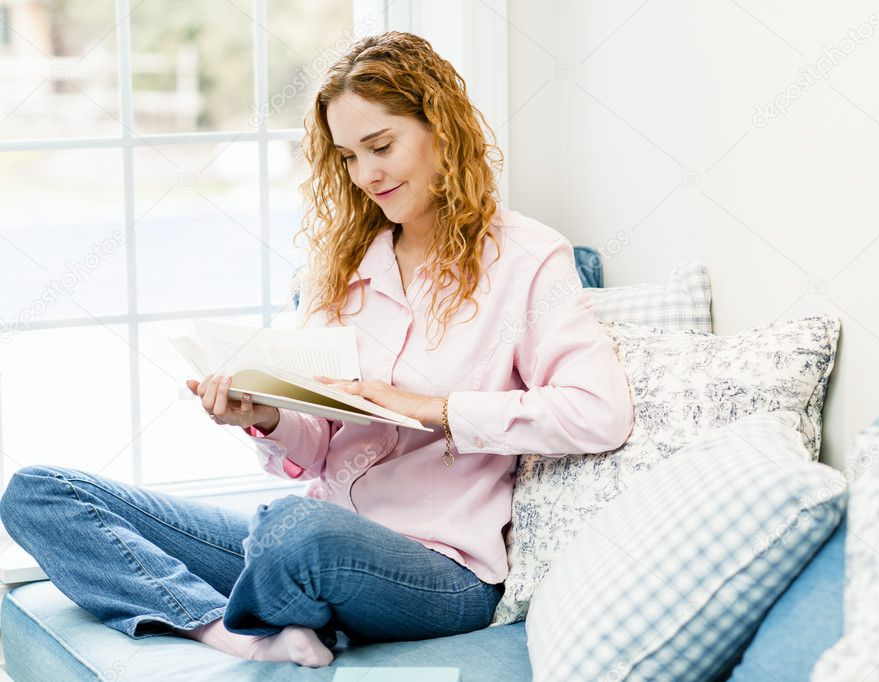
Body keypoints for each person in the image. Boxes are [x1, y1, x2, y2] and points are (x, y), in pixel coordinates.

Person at [0, 31, 633, 668]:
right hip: (312, 534)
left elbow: (598, 411)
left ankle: (273, 598)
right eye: (350, 157)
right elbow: (317, 445)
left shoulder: (527, 260)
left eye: (381, 147)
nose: (367, 175)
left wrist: (430, 409)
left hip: (440, 573)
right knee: (40, 493)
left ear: (442, 127)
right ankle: (221, 628)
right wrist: (268, 419)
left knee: (287, 532)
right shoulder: (347, 268)